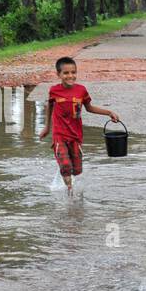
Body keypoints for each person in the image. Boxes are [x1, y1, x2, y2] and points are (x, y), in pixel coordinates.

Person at [37, 57, 120, 194]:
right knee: (65, 166)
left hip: (76, 135)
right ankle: (70, 194)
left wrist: (109, 112)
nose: (70, 76)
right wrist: (47, 127)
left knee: (77, 170)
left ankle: (71, 186)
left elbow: (89, 108)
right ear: (59, 75)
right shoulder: (54, 91)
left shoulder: (81, 90)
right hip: (60, 135)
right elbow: (50, 105)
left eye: (73, 72)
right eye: (66, 73)